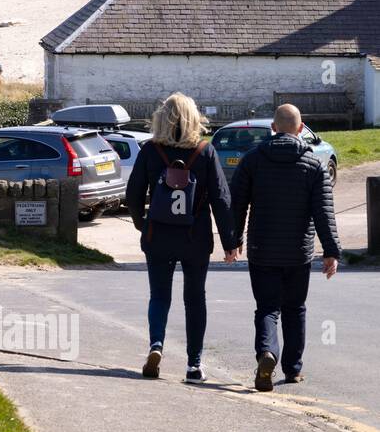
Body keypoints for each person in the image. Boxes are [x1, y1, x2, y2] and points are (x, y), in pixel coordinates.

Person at [126, 93, 238, 382]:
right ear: (193, 118)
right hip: (195, 237)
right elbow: (221, 199)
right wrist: (230, 242)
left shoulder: (150, 151)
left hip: (159, 235)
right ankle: (193, 365)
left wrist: (143, 225)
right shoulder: (205, 151)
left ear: (161, 118)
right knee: (194, 298)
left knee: (159, 296)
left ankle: (156, 345)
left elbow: (133, 194)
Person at [230, 103, 342, 392]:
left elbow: (238, 204)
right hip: (298, 251)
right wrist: (331, 251)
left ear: (273, 128)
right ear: (301, 129)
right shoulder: (313, 164)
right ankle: (292, 369)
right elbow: (323, 212)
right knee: (295, 309)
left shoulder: (253, 160)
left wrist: (234, 241)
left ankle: (267, 354)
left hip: (262, 249)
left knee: (267, 308)